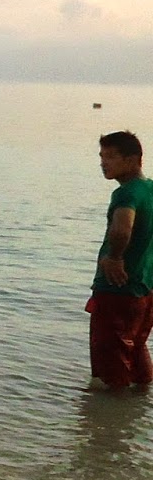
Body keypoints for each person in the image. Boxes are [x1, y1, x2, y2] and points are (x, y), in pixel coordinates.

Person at [88, 130, 153, 393]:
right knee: (135, 349)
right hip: (144, 288)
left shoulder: (126, 194)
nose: (104, 162)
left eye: (111, 156)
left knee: (110, 359)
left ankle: (109, 425)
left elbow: (122, 228)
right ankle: (137, 412)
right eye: (102, 156)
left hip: (118, 288)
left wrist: (114, 258)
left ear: (133, 159)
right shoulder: (150, 189)